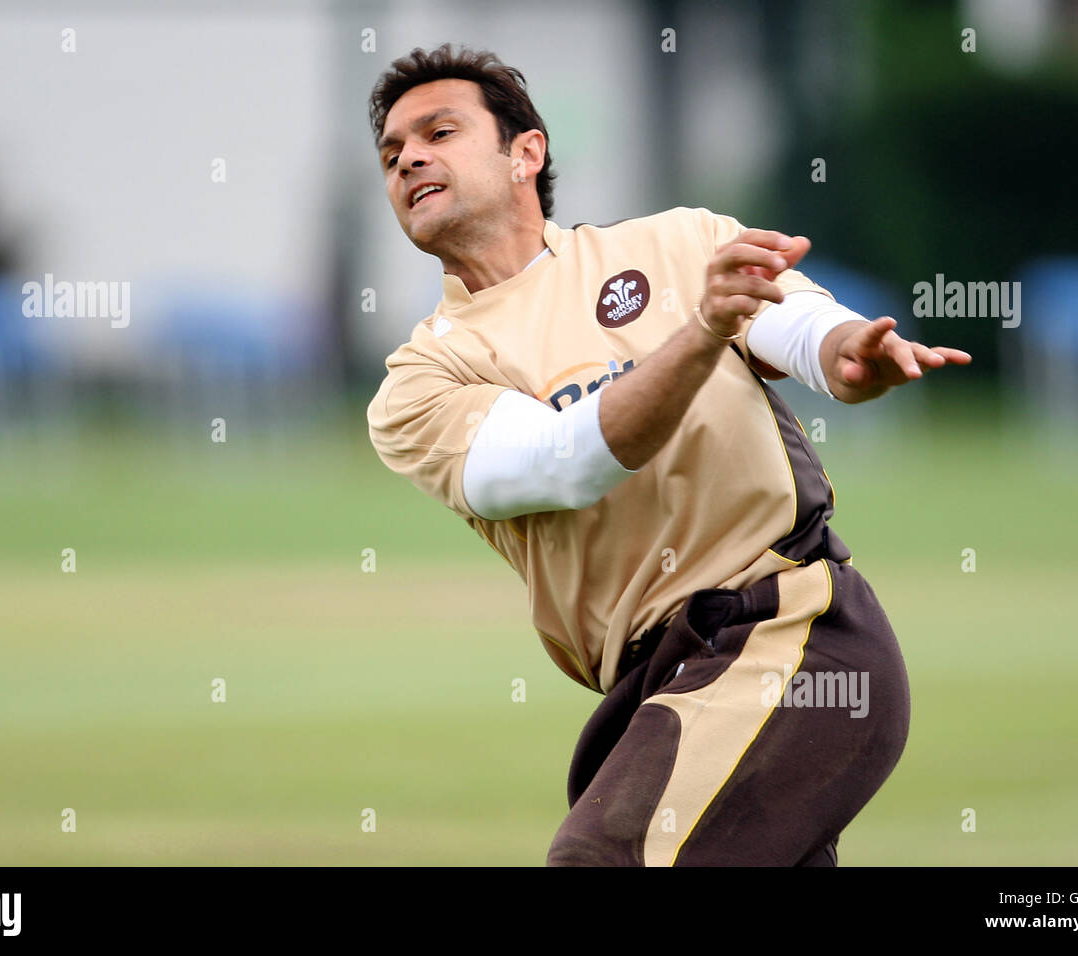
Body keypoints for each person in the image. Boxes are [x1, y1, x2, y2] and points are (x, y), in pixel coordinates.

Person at [365, 43, 971, 866]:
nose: (411, 160)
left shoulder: (676, 244)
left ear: (526, 152)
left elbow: (797, 326)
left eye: (440, 132)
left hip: (789, 636)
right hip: (655, 683)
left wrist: (845, 353)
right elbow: (565, 460)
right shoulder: (418, 382)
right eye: (393, 153)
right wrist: (701, 333)